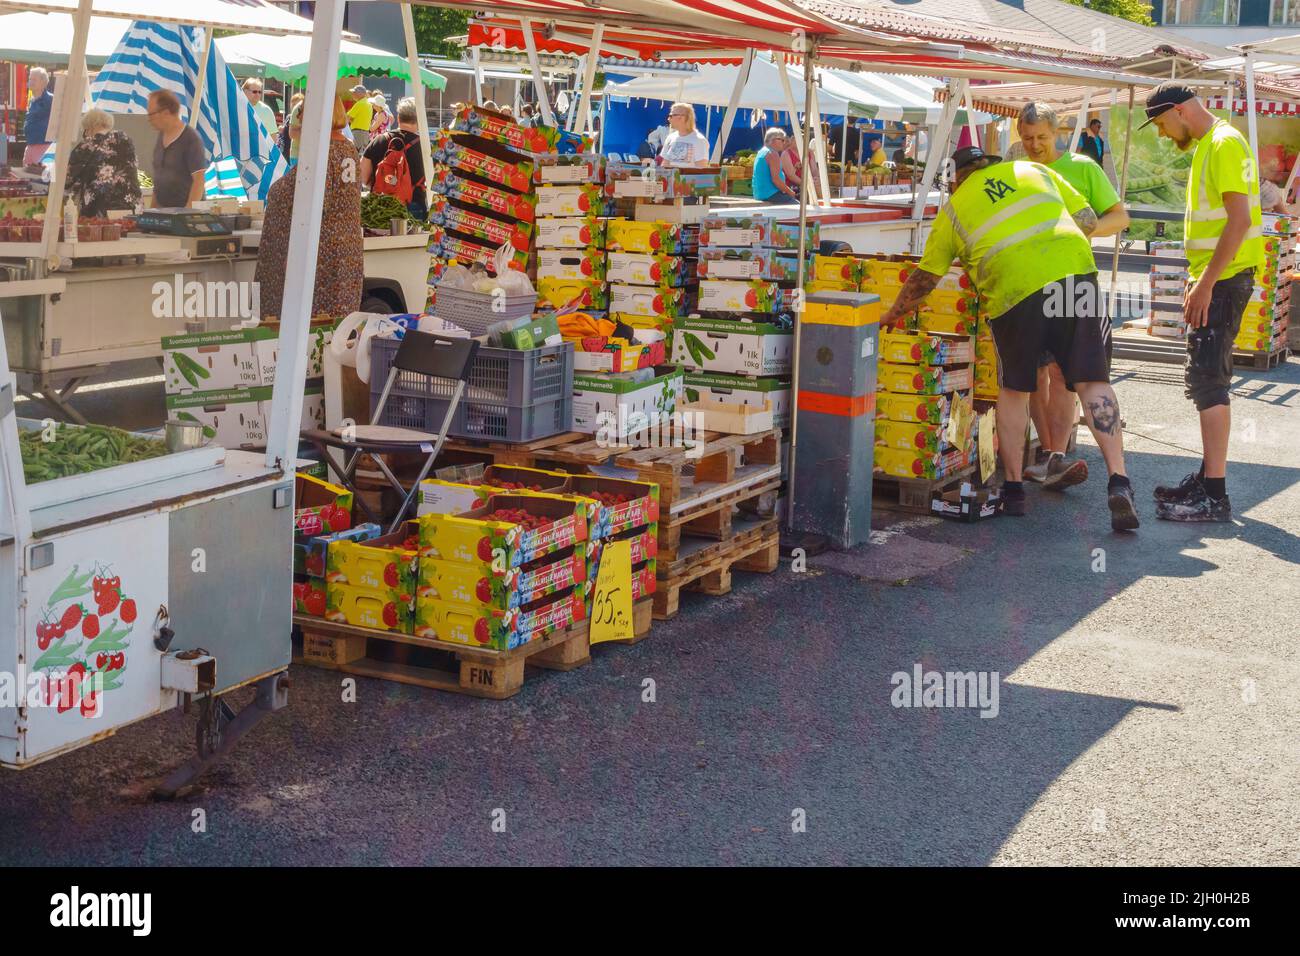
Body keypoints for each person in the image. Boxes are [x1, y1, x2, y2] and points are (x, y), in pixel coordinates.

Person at [880, 146, 1139, 531]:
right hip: (1073, 277)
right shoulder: (1035, 171)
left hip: (1015, 293)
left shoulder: (954, 209)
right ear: (991, 165)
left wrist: (889, 316)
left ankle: (1015, 491)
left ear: (957, 177)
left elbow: (925, 278)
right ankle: (1119, 480)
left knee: (1015, 388)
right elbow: (1086, 219)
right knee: (1091, 380)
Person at [1144, 83, 1265, 522]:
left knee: (1209, 380)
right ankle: (1207, 478)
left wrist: (1206, 283)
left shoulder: (1223, 143)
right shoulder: (1213, 144)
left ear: (1178, 110)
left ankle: (1215, 495)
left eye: (1160, 123)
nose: (1161, 134)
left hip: (1225, 280)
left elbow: (1240, 220)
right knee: (1204, 378)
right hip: (1221, 278)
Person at [1016, 102, 1131, 490]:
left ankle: (1057, 455)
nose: (1035, 146)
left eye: (1042, 138)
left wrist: (1083, 230)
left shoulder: (1083, 167)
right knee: (1033, 374)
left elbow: (1121, 217)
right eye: (1028, 139)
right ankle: (1050, 454)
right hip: (1027, 282)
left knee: (1064, 374)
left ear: (1058, 132)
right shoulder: (1018, 172)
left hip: (1072, 283)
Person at [256, 93, 363, 320]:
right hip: (344, 252)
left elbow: (311, 202)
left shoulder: (321, 151)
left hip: (319, 258)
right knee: (335, 331)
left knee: (311, 328)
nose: (299, 118)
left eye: (303, 112)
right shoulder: (349, 149)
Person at [361, 96, 427, 220]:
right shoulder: (426, 147)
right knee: (414, 239)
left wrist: (386, 184)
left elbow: (363, 177)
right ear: (419, 119)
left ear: (398, 118)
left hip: (380, 205)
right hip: (414, 205)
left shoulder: (379, 140)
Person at [65, 109, 141, 217]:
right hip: (130, 204)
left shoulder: (86, 146)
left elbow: (67, 179)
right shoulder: (126, 140)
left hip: (100, 208)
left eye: (85, 130)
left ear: (90, 127)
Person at [146, 89, 206, 208]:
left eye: (151, 115)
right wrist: (152, 211)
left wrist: (186, 213)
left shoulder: (190, 138)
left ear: (166, 113)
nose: (149, 119)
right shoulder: (161, 137)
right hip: (165, 213)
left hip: (184, 214)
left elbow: (199, 181)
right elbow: (159, 181)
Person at [752, 128, 798, 204]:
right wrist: (790, 192)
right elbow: (776, 179)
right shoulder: (772, 153)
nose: (784, 143)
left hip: (760, 194)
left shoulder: (762, 151)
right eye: (782, 140)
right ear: (774, 140)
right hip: (771, 194)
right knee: (800, 209)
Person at [659, 102, 710, 167]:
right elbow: (665, 165)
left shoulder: (700, 140)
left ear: (682, 117)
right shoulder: (670, 138)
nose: (668, 119)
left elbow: (701, 170)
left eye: (671, 116)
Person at [22, 67, 54, 167]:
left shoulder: (51, 99)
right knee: (28, 178)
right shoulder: (32, 100)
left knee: (44, 179)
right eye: (30, 79)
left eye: (34, 79)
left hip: (44, 146)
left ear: (43, 82)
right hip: (31, 145)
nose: (30, 82)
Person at [347, 83, 373, 152]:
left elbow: (347, 118)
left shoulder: (360, 103)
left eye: (354, 92)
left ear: (360, 93)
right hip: (364, 133)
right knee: (361, 154)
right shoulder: (368, 103)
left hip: (358, 133)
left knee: (355, 154)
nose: (352, 94)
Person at [278, 93, 304, 162]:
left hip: (291, 147)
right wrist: (282, 128)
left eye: (296, 104)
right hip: (285, 147)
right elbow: (287, 128)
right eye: (293, 104)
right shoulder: (289, 117)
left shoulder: (299, 116)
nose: (294, 106)